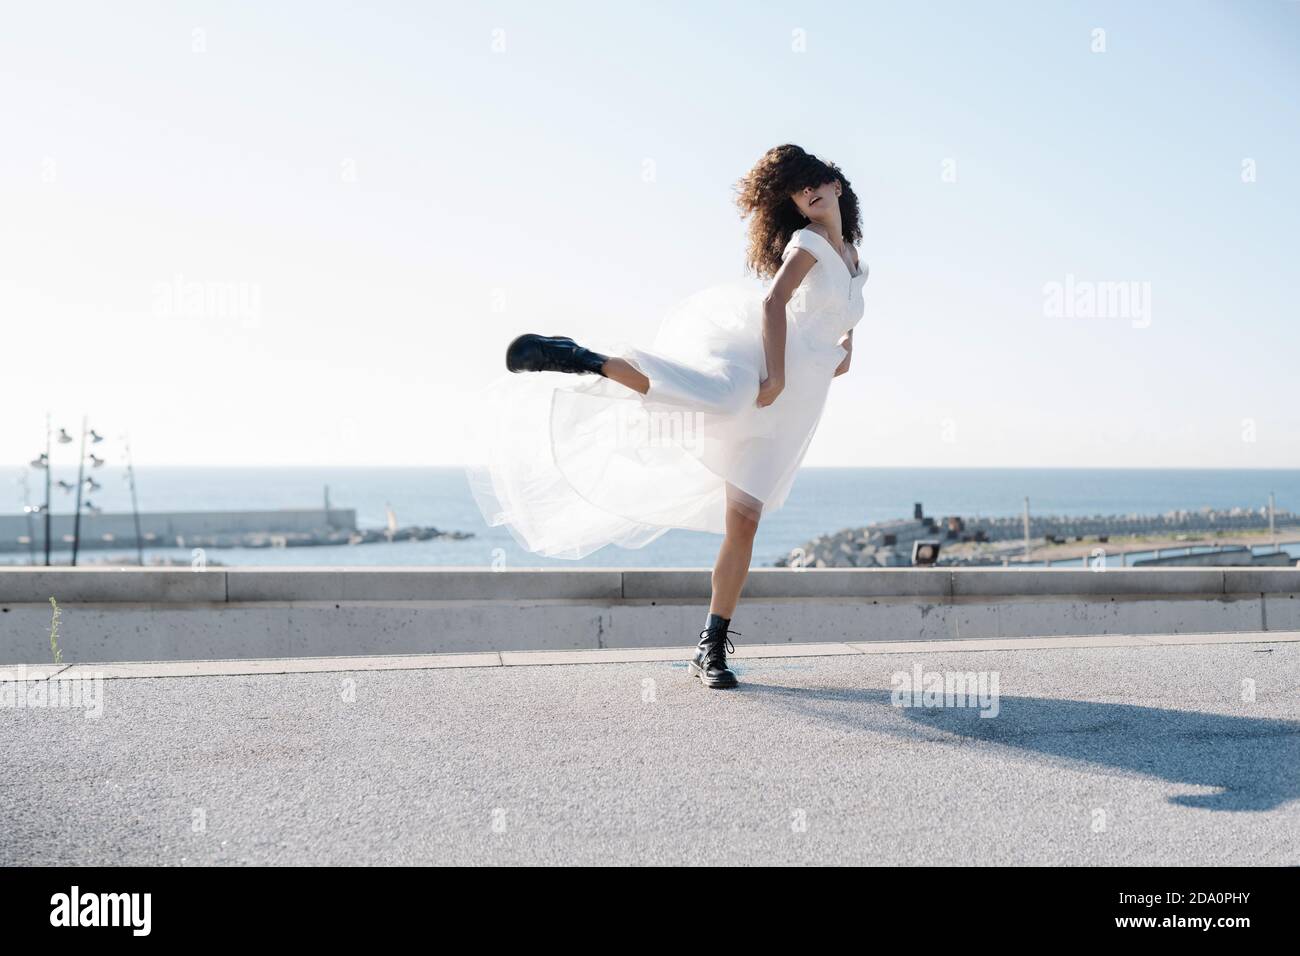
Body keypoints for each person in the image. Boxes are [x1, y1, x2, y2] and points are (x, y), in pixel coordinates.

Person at [467, 144, 868, 689]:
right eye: (797, 190)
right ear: (794, 207)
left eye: (813, 182)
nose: (808, 192)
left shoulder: (856, 262)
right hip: (762, 362)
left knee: (744, 525)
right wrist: (774, 376)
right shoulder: (808, 244)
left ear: (836, 185)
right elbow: (773, 305)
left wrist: (842, 355)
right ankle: (587, 359)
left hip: (797, 404)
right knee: (722, 397)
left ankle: (711, 646)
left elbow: (844, 328)